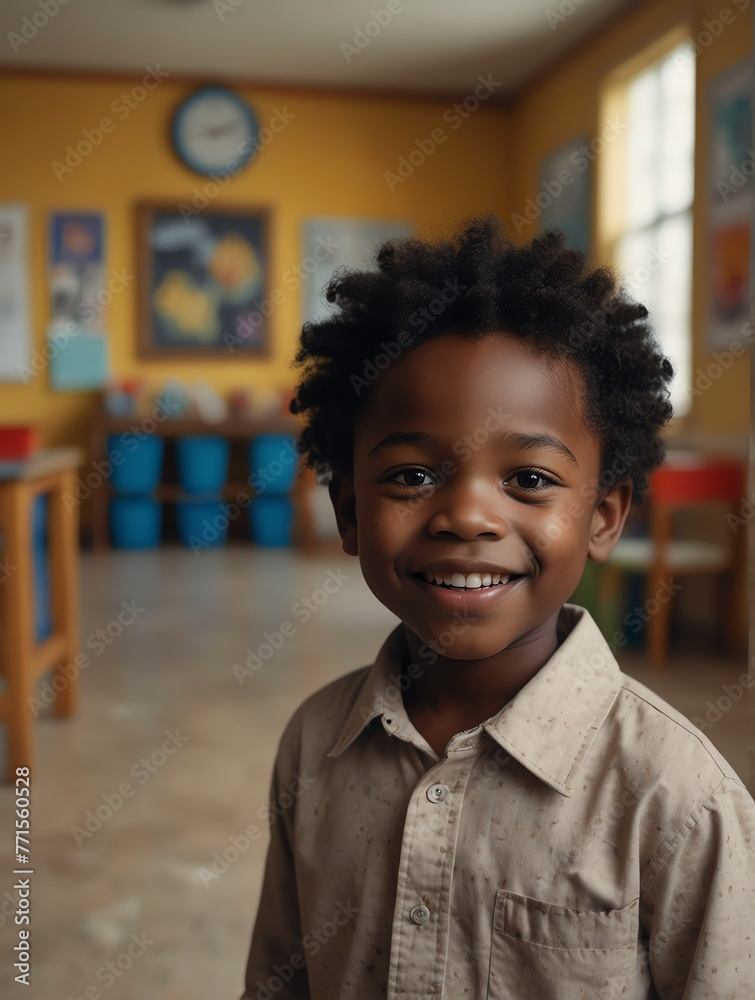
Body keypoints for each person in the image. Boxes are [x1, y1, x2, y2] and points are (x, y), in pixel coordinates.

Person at [239, 216, 754, 999]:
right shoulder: (314, 745)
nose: (466, 516)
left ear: (604, 517)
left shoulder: (675, 797)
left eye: (530, 480)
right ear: (347, 512)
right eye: (411, 477)